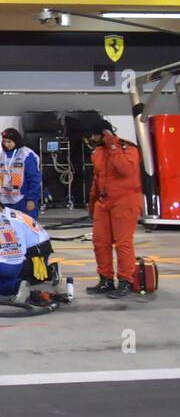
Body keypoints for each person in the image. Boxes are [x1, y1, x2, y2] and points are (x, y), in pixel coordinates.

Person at [86, 118, 142, 297]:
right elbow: (97, 179)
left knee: (123, 243)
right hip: (103, 203)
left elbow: (125, 169)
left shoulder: (128, 149)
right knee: (100, 242)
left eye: (95, 135)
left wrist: (113, 147)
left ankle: (126, 281)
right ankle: (106, 280)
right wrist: (92, 203)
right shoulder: (97, 153)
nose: (92, 138)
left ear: (104, 133)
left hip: (125, 202)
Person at [0, 127, 42, 219]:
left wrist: (32, 199)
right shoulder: (2, 154)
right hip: (5, 199)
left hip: (22, 199)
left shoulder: (27, 155)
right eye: (4, 141)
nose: (6, 144)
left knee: (27, 228)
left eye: (9, 142)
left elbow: (34, 179)